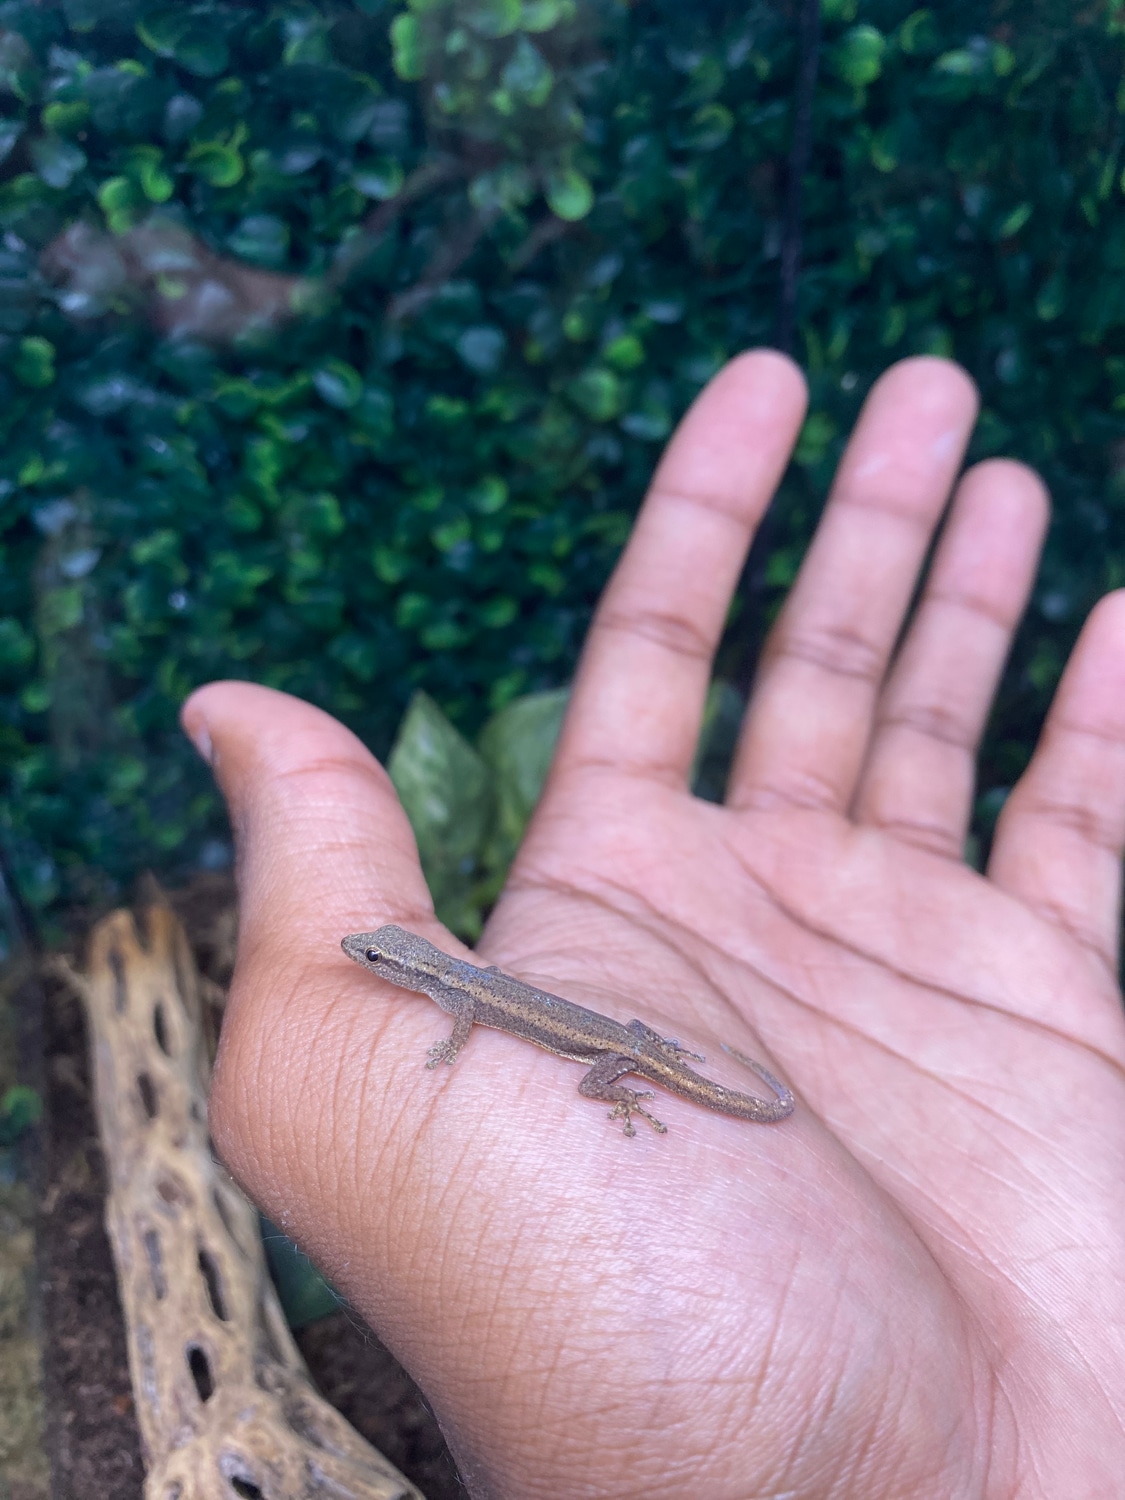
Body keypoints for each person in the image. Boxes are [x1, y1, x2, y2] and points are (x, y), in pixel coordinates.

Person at [182, 353, 1125, 1499]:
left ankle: (640, 1084)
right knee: (628, 1059)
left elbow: (468, 1028)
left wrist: (557, 1064)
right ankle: (654, 1071)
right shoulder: (451, 981)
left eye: (378, 954)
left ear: (408, 967)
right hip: (628, 1031)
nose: (369, 959)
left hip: (620, 1048)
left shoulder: (453, 995)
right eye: (381, 955)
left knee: (604, 1082)